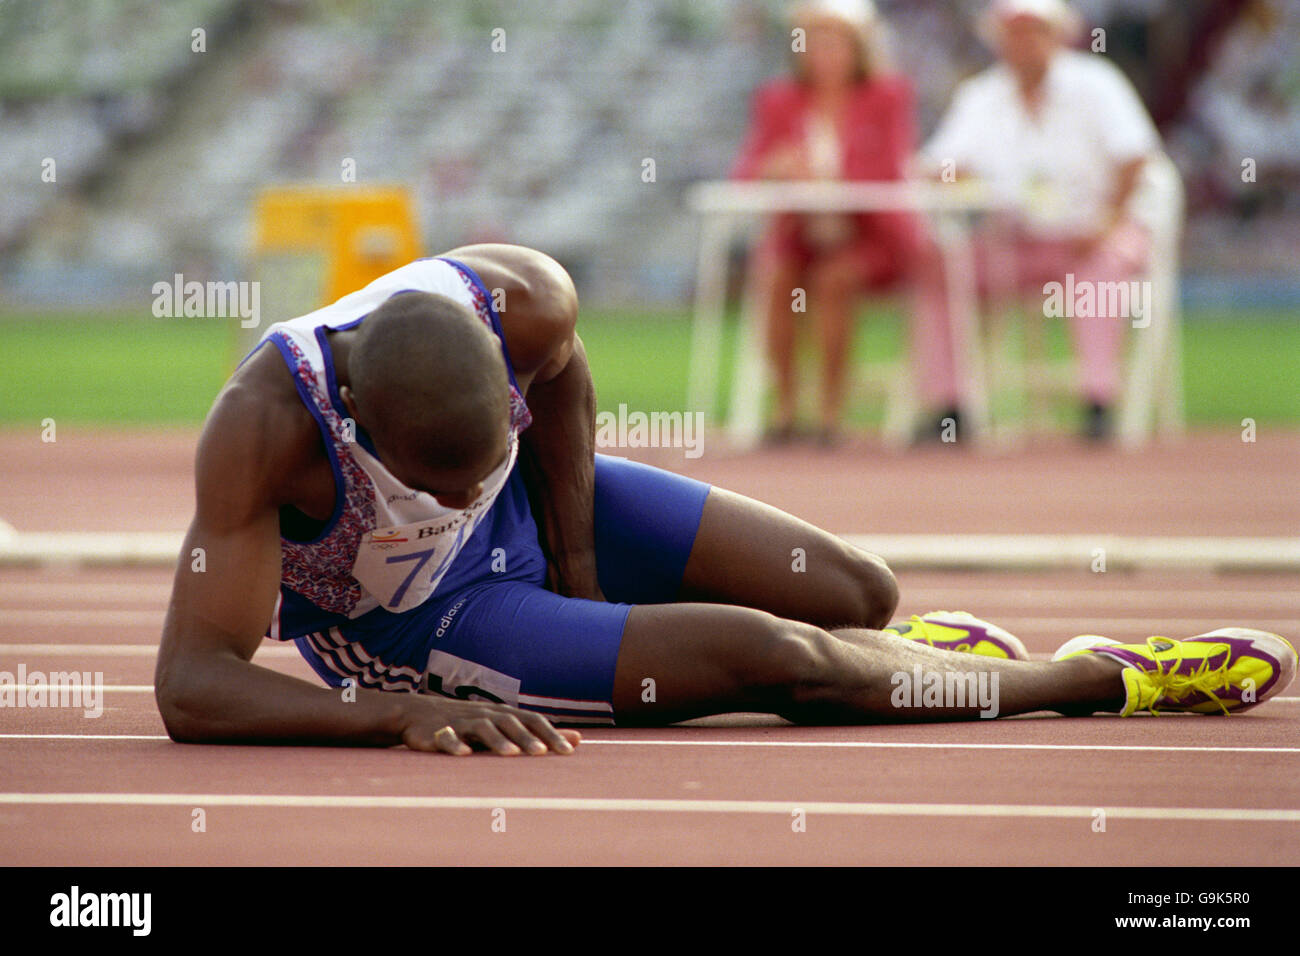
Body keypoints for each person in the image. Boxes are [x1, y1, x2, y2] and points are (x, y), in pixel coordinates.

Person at [155, 244, 1295, 755]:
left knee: (857, 590)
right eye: (435, 487)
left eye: (478, 462)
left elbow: (561, 385)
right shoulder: (264, 435)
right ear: (355, 428)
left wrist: (578, 566)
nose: (457, 499)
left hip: (546, 522)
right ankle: (1100, 675)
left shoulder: (523, 302)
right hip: (416, 620)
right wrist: (391, 711)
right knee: (778, 657)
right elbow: (194, 686)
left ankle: (907, 663)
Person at [912, 0, 1163, 441]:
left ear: (1058, 35)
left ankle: (1098, 401)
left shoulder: (1098, 84)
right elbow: (938, 164)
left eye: (1034, 31)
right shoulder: (981, 96)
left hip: (1091, 235)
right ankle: (951, 406)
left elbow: (1136, 156)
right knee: (942, 269)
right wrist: (958, 178)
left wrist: (1107, 220)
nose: (1024, 43)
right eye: (1014, 32)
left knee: (1100, 271)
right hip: (1012, 241)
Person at [731, 0, 921, 446]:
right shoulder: (777, 100)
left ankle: (831, 411)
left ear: (858, 48)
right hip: (801, 237)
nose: (824, 52)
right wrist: (775, 168)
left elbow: (891, 169)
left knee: (834, 278)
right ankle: (787, 406)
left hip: (869, 237)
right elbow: (748, 171)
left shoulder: (886, 96)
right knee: (777, 276)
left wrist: (827, 178)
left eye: (835, 42)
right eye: (815, 41)